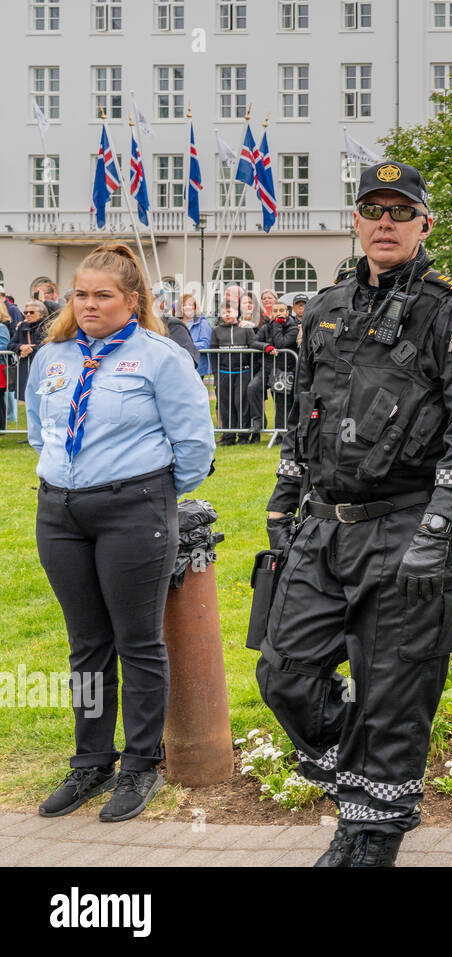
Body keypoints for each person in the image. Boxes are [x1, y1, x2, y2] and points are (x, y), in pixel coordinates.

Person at [257, 161, 452, 867]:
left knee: (393, 688)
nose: (386, 221)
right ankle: (365, 783)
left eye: (401, 210)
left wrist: (437, 527)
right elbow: (305, 413)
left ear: (426, 223)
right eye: (374, 209)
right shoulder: (325, 308)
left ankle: (369, 834)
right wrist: (283, 497)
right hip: (325, 526)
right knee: (285, 675)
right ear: (356, 221)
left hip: (405, 523)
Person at [27, 243, 214, 823]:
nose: (89, 304)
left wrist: (148, 493)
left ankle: (138, 766)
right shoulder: (51, 357)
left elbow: (194, 445)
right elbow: (40, 431)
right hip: (60, 513)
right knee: (86, 645)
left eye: (103, 295)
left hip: (134, 508)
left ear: (132, 302)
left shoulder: (159, 356)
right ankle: (91, 760)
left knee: (137, 642)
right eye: (80, 294)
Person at [250, 299, 301, 444]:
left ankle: (280, 435)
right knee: (253, 388)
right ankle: (258, 422)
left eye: (281, 311)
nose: (278, 313)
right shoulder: (266, 327)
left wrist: (278, 325)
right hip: (267, 368)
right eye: (275, 311)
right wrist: (266, 346)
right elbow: (253, 342)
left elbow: (281, 343)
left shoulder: (293, 328)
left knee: (281, 400)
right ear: (271, 313)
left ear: (287, 312)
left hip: (284, 369)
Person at [211, 302, 259, 444]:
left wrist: (251, 370)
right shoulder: (216, 330)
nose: (227, 314)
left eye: (230, 311)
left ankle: (243, 436)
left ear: (237, 313)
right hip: (224, 372)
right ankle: (228, 436)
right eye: (224, 312)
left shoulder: (246, 328)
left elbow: (253, 349)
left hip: (243, 371)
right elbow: (213, 353)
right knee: (225, 404)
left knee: (242, 403)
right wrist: (216, 372)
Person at [181, 294, 213, 378]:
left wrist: (186, 346)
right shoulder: (177, 323)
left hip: (196, 366)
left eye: (190, 305)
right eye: (184, 305)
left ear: (194, 307)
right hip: (179, 365)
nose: (187, 307)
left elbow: (206, 344)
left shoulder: (203, 323)